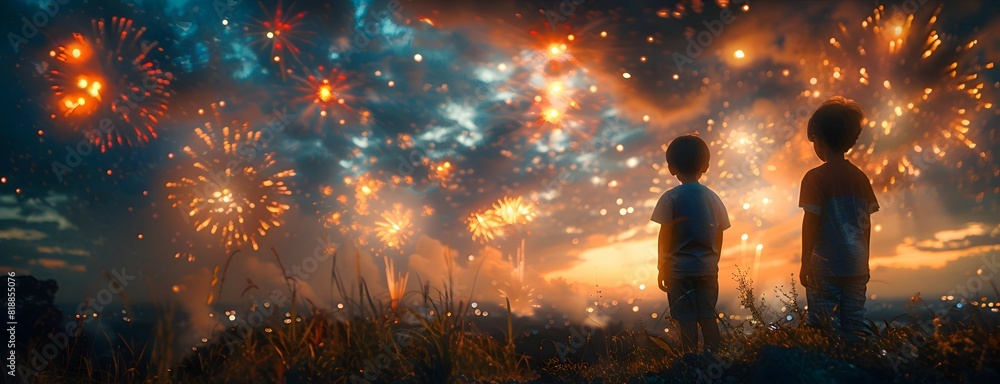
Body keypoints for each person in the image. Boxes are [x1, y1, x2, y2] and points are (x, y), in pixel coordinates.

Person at [798, 96, 878, 339]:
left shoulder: (814, 178)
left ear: (819, 141)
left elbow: (810, 221)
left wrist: (805, 261)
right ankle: (857, 366)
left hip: (825, 266)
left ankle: (829, 369)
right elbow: (866, 224)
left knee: (824, 325)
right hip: (856, 264)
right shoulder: (860, 177)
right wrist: (865, 259)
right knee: (854, 321)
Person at [651, 134, 730, 352]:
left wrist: (662, 266)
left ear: (671, 167)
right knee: (707, 316)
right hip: (707, 269)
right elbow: (720, 233)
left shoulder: (670, 198)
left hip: (678, 271)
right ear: (705, 166)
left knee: (686, 318)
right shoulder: (713, 198)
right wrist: (714, 260)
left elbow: (664, 235)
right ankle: (714, 357)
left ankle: (690, 360)